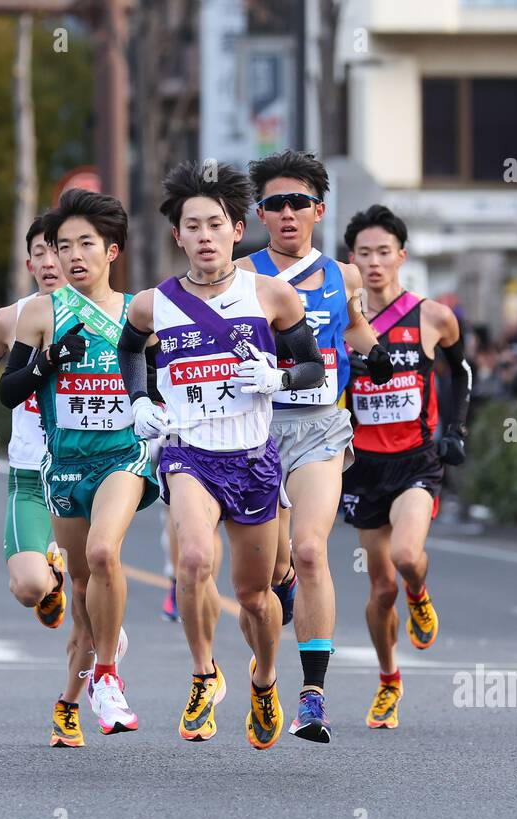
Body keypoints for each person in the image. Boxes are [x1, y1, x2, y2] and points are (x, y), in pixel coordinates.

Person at [120, 160, 326, 750]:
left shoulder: (269, 294)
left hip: (254, 459)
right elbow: (130, 350)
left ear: (238, 230)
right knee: (190, 560)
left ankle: (263, 679)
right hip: (190, 453)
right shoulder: (151, 304)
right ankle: (205, 674)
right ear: (177, 236)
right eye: (193, 226)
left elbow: (310, 364)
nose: (204, 235)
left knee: (256, 595)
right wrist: (139, 402)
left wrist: (276, 379)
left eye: (216, 223)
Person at [235, 149, 394, 743]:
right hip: (253, 432)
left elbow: (353, 326)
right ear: (259, 214)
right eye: (274, 204)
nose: (286, 213)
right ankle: (265, 675)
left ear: (318, 211)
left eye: (297, 202)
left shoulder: (342, 274)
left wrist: (372, 351)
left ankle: (314, 697)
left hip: (321, 427)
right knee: (266, 579)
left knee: (308, 551)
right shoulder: (241, 275)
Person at [0, 189, 159, 737]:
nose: (72, 255)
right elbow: (10, 388)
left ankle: (109, 675)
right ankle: (75, 690)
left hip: (123, 456)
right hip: (65, 462)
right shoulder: (42, 313)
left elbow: (162, 377)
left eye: (85, 244)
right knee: (84, 585)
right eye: (62, 245)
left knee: (101, 552)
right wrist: (47, 362)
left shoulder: (140, 309)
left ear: (111, 250)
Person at [0, 216, 107, 749]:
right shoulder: (13, 319)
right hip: (32, 476)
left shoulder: (110, 316)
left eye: (62, 249)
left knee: (89, 598)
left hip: (91, 471)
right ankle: (47, 577)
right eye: (42, 252)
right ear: (30, 261)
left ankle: (69, 706)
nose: (52, 261)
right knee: (31, 587)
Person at [340, 205, 471, 730]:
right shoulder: (341, 321)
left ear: (402, 256)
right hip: (363, 466)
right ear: (352, 259)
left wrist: (456, 432)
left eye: (384, 253)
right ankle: (389, 680)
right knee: (379, 589)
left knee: (406, 555)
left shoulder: (433, 317)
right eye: (364, 254)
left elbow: (461, 373)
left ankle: (421, 593)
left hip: (417, 461)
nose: (374, 263)